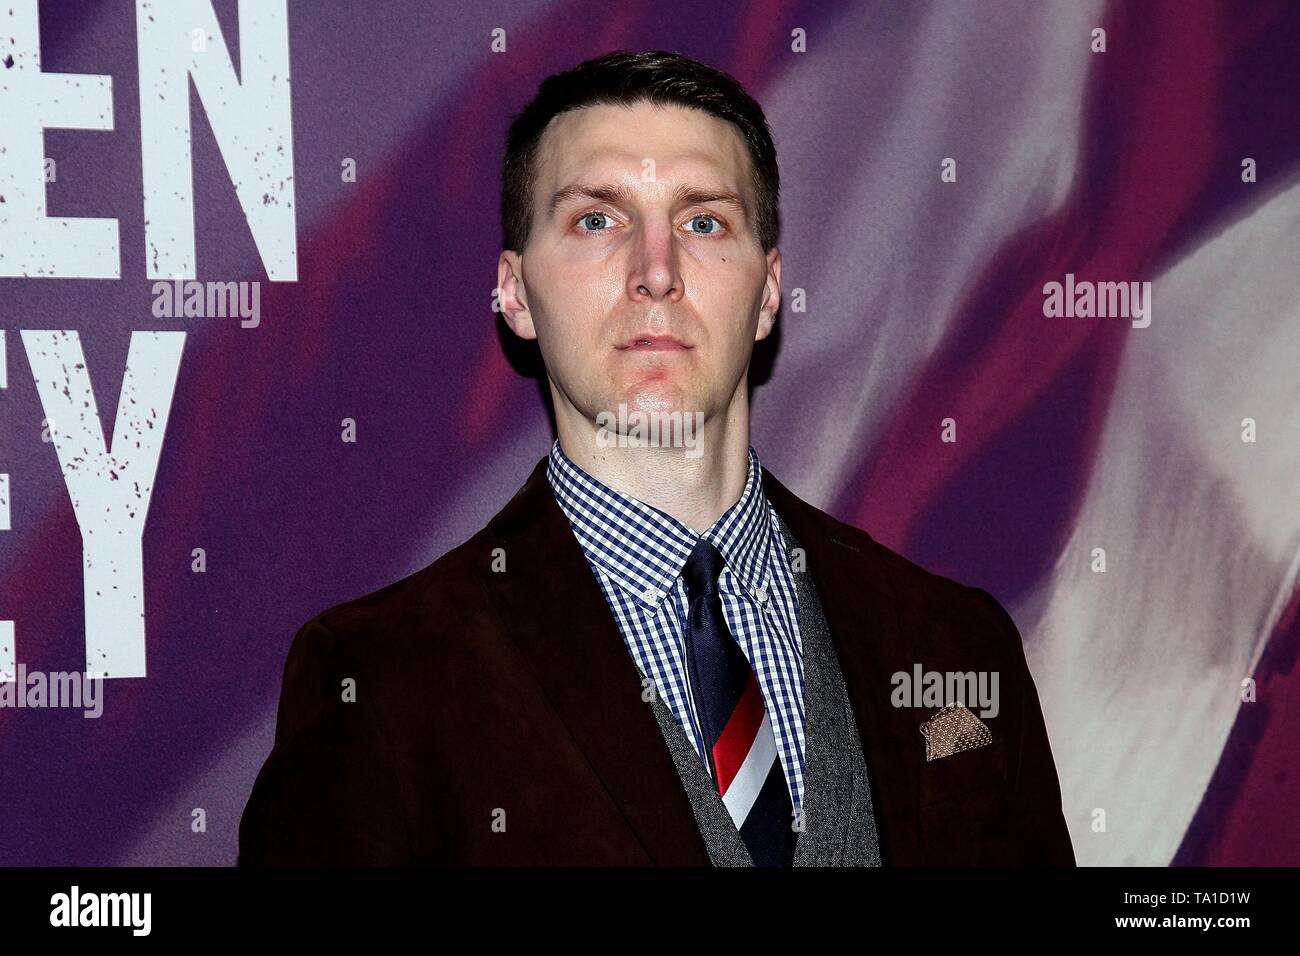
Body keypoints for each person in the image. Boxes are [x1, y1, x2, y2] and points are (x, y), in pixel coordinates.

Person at [238, 49, 1075, 866]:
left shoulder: (954, 643)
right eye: (596, 221)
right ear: (515, 293)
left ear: (770, 290)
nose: (657, 271)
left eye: (704, 221)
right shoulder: (379, 682)